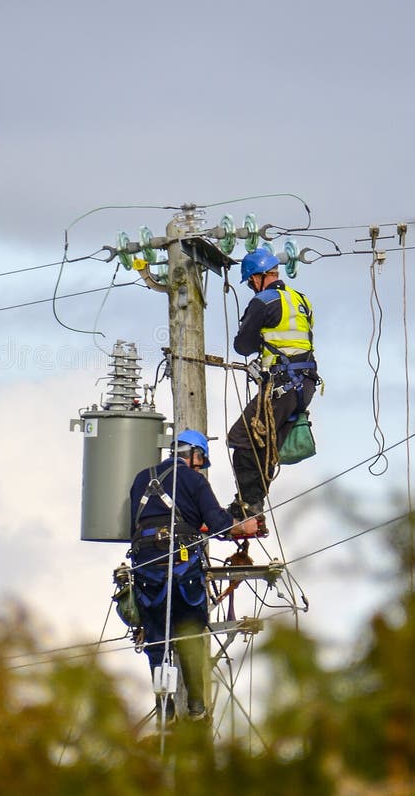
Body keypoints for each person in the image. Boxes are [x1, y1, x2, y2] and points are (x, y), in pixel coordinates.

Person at [129, 429, 257, 723]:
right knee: (190, 633)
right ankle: (197, 706)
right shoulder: (193, 480)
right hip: (181, 567)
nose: (200, 468)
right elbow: (219, 524)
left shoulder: (141, 479)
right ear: (194, 455)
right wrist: (243, 527)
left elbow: (133, 528)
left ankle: (165, 707)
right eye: (200, 462)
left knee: (157, 639)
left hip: (146, 567)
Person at [228, 248, 319, 530]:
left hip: (282, 385)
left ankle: (248, 504)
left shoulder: (263, 301)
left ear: (257, 277)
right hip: (304, 384)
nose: (251, 287)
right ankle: (253, 506)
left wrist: (258, 338)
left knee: (241, 436)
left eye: (250, 282)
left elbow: (243, 345)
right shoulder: (302, 300)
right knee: (265, 443)